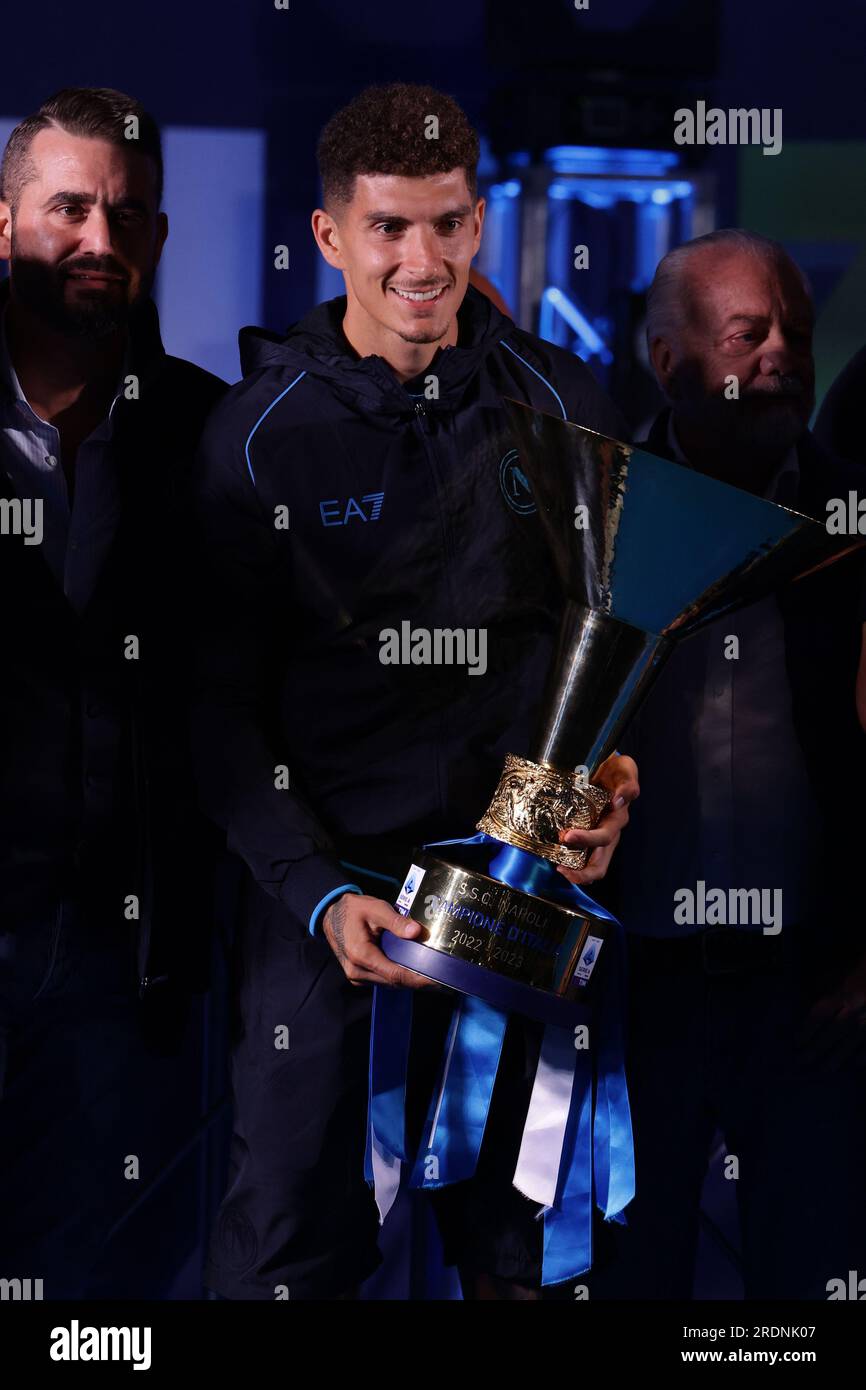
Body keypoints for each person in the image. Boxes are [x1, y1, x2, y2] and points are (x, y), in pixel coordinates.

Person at [192, 81, 639, 1301]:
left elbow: (604, 646)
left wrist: (606, 777)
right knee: (290, 1254)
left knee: (525, 1251)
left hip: (513, 896)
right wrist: (317, 890)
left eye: (447, 223)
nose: (422, 261)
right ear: (330, 236)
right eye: (389, 227)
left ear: (479, 223)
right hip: (328, 916)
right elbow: (212, 710)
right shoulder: (254, 440)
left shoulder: (563, 407)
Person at [588, 229, 866, 1300]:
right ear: (666, 361)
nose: (780, 357)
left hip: (814, 990)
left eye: (791, 332)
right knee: (631, 1276)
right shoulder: (591, 514)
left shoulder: (854, 509)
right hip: (633, 985)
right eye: (747, 333)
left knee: (805, 1284)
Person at [0, 87, 226, 1297]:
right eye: (70, 208)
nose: (101, 238)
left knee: (105, 1295)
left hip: (123, 961)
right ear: (3, 222)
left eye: (129, 215)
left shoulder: (207, 432)